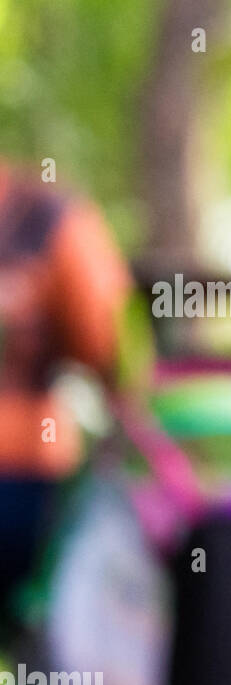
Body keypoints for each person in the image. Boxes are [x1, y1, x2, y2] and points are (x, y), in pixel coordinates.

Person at [0, 163, 132, 622]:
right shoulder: (48, 214)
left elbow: (107, 343)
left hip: (22, 474)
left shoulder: (47, 218)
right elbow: (114, 351)